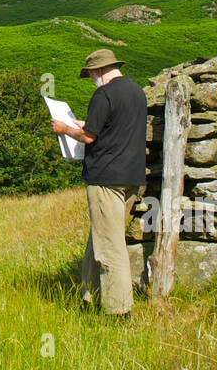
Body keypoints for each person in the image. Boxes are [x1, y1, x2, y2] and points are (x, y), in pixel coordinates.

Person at [50, 48, 148, 316]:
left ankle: (118, 311)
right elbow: (112, 127)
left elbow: (89, 138)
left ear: (99, 70)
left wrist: (65, 128)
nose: (91, 78)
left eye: (91, 73)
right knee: (102, 237)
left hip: (106, 177)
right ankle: (89, 296)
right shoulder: (136, 92)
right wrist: (85, 125)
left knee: (109, 247)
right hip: (132, 177)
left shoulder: (103, 94)